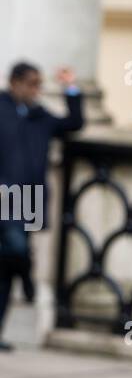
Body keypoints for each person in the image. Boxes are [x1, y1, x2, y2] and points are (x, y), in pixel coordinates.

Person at [0, 61, 84, 350]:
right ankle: (29, 278)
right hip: (4, 197)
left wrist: (70, 88)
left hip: (31, 197)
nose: (36, 90)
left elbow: (74, 123)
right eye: (31, 84)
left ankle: (21, 281)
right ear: (14, 83)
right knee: (16, 248)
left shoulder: (40, 116)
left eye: (39, 84)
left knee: (5, 271)